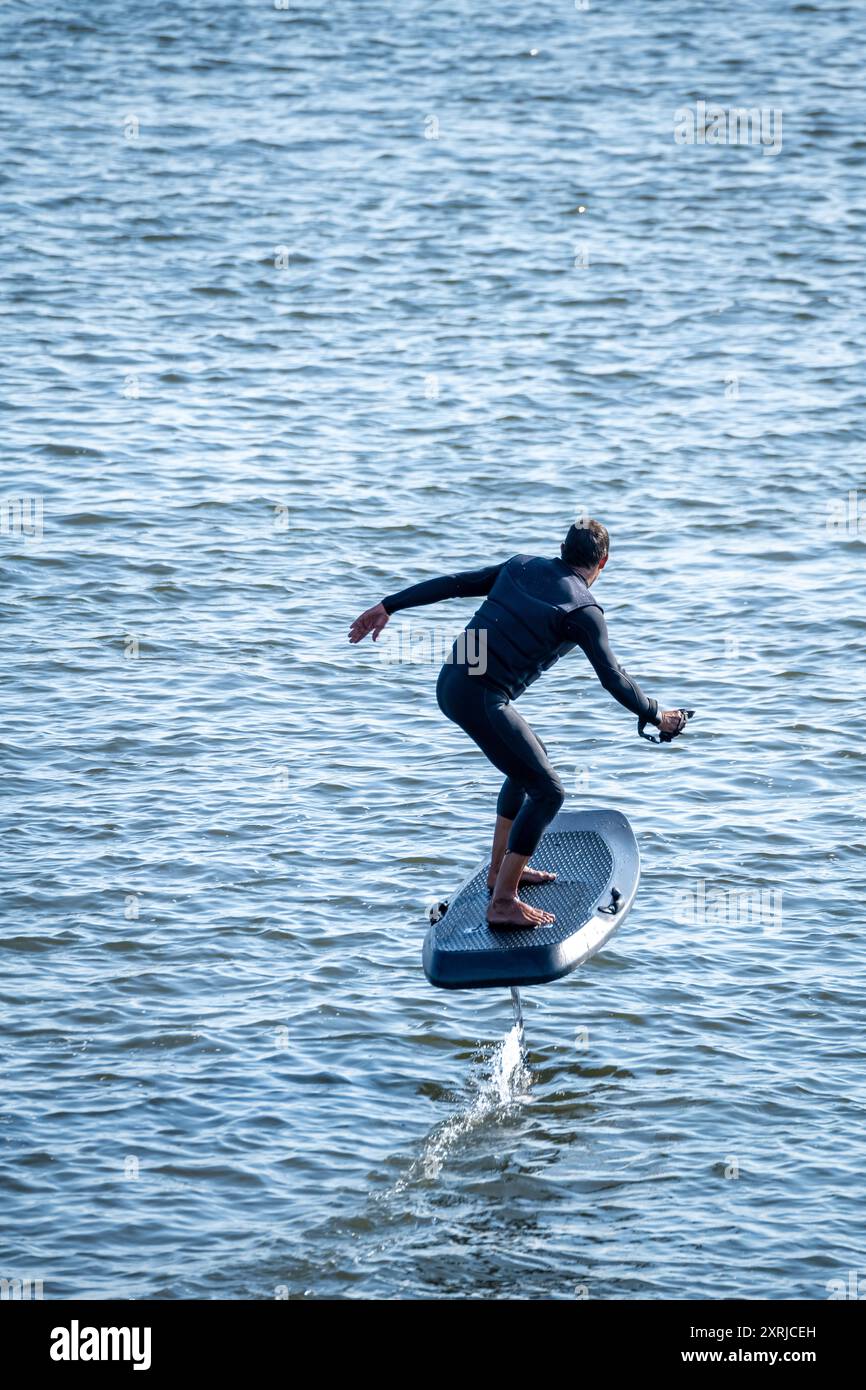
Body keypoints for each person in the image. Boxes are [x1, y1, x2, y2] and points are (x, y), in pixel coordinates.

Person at [349, 519, 689, 929]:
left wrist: (389, 605)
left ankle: (499, 871)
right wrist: (658, 714)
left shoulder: (520, 566)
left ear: (562, 549)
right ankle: (504, 900)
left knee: (530, 766)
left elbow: (455, 583)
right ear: (604, 562)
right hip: (479, 697)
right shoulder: (583, 609)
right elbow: (613, 678)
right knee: (548, 791)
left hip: (453, 682)